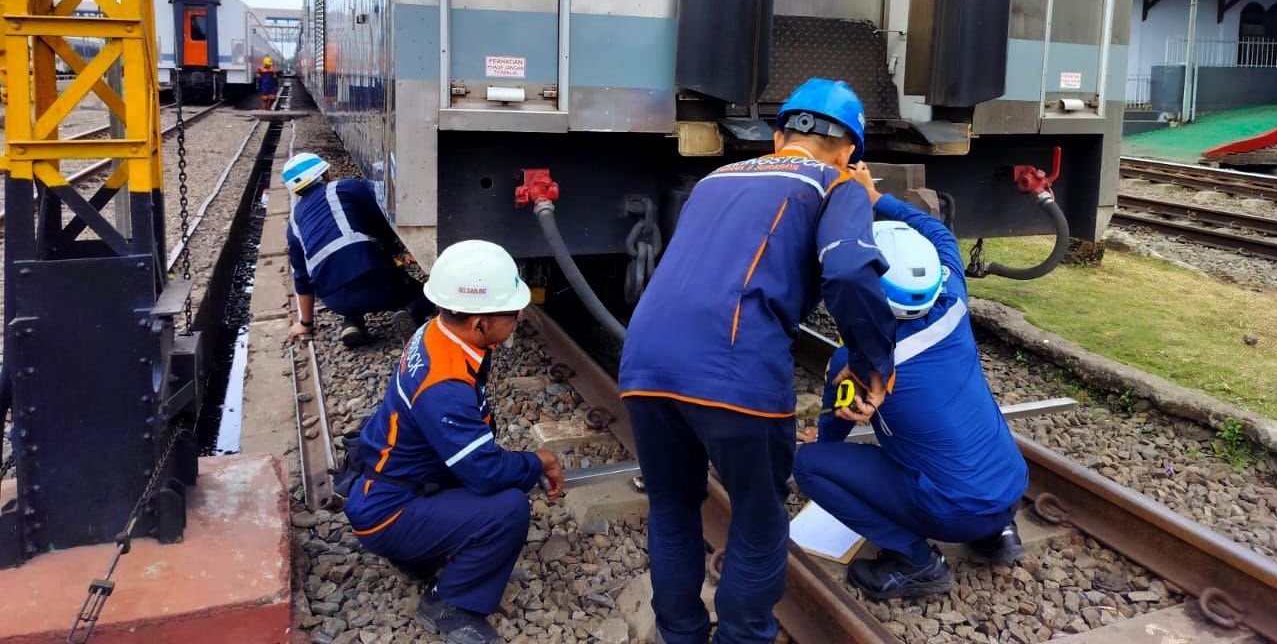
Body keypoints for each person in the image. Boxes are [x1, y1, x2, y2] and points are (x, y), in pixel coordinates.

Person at [618, 78, 899, 644]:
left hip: (643, 361)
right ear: (850, 151)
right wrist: (873, 361)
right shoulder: (835, 183)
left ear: (778, 135)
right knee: (758, 518)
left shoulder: (715, 179)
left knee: (673, 506)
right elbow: (847, 270)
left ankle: (681, 635)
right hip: (735, 370)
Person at [793, 166, 1029, 601]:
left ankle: (915, 562)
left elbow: (834, 428)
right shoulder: (954, 298)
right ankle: (998, 533)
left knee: (809, 466)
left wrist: (824, 438)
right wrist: (876, 198)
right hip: (1010, 487)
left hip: (953, 514)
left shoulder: (861, 363)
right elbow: (936, 232)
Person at [342, 240, 565, 644]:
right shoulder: (445, 386)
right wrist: (538, 461)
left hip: (388, 485)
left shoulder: (439, 331)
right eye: (511, 312)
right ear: (479, 322)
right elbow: (485, 472)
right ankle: (449, 604)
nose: (517, 317)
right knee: (509, 506)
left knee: (491, 477)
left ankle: (419, 552)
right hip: (387, 510)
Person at [284, 152, 434, 347]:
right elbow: (388, 212)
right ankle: (411, 312)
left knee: (344, 278)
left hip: (335, 298)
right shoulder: (347, 187)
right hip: (378, 283)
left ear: (296, 191)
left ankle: (352, 323)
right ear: (326, 175)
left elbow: (301, 278)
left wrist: (305, 324)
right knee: (429, 292)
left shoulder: (293, 224)